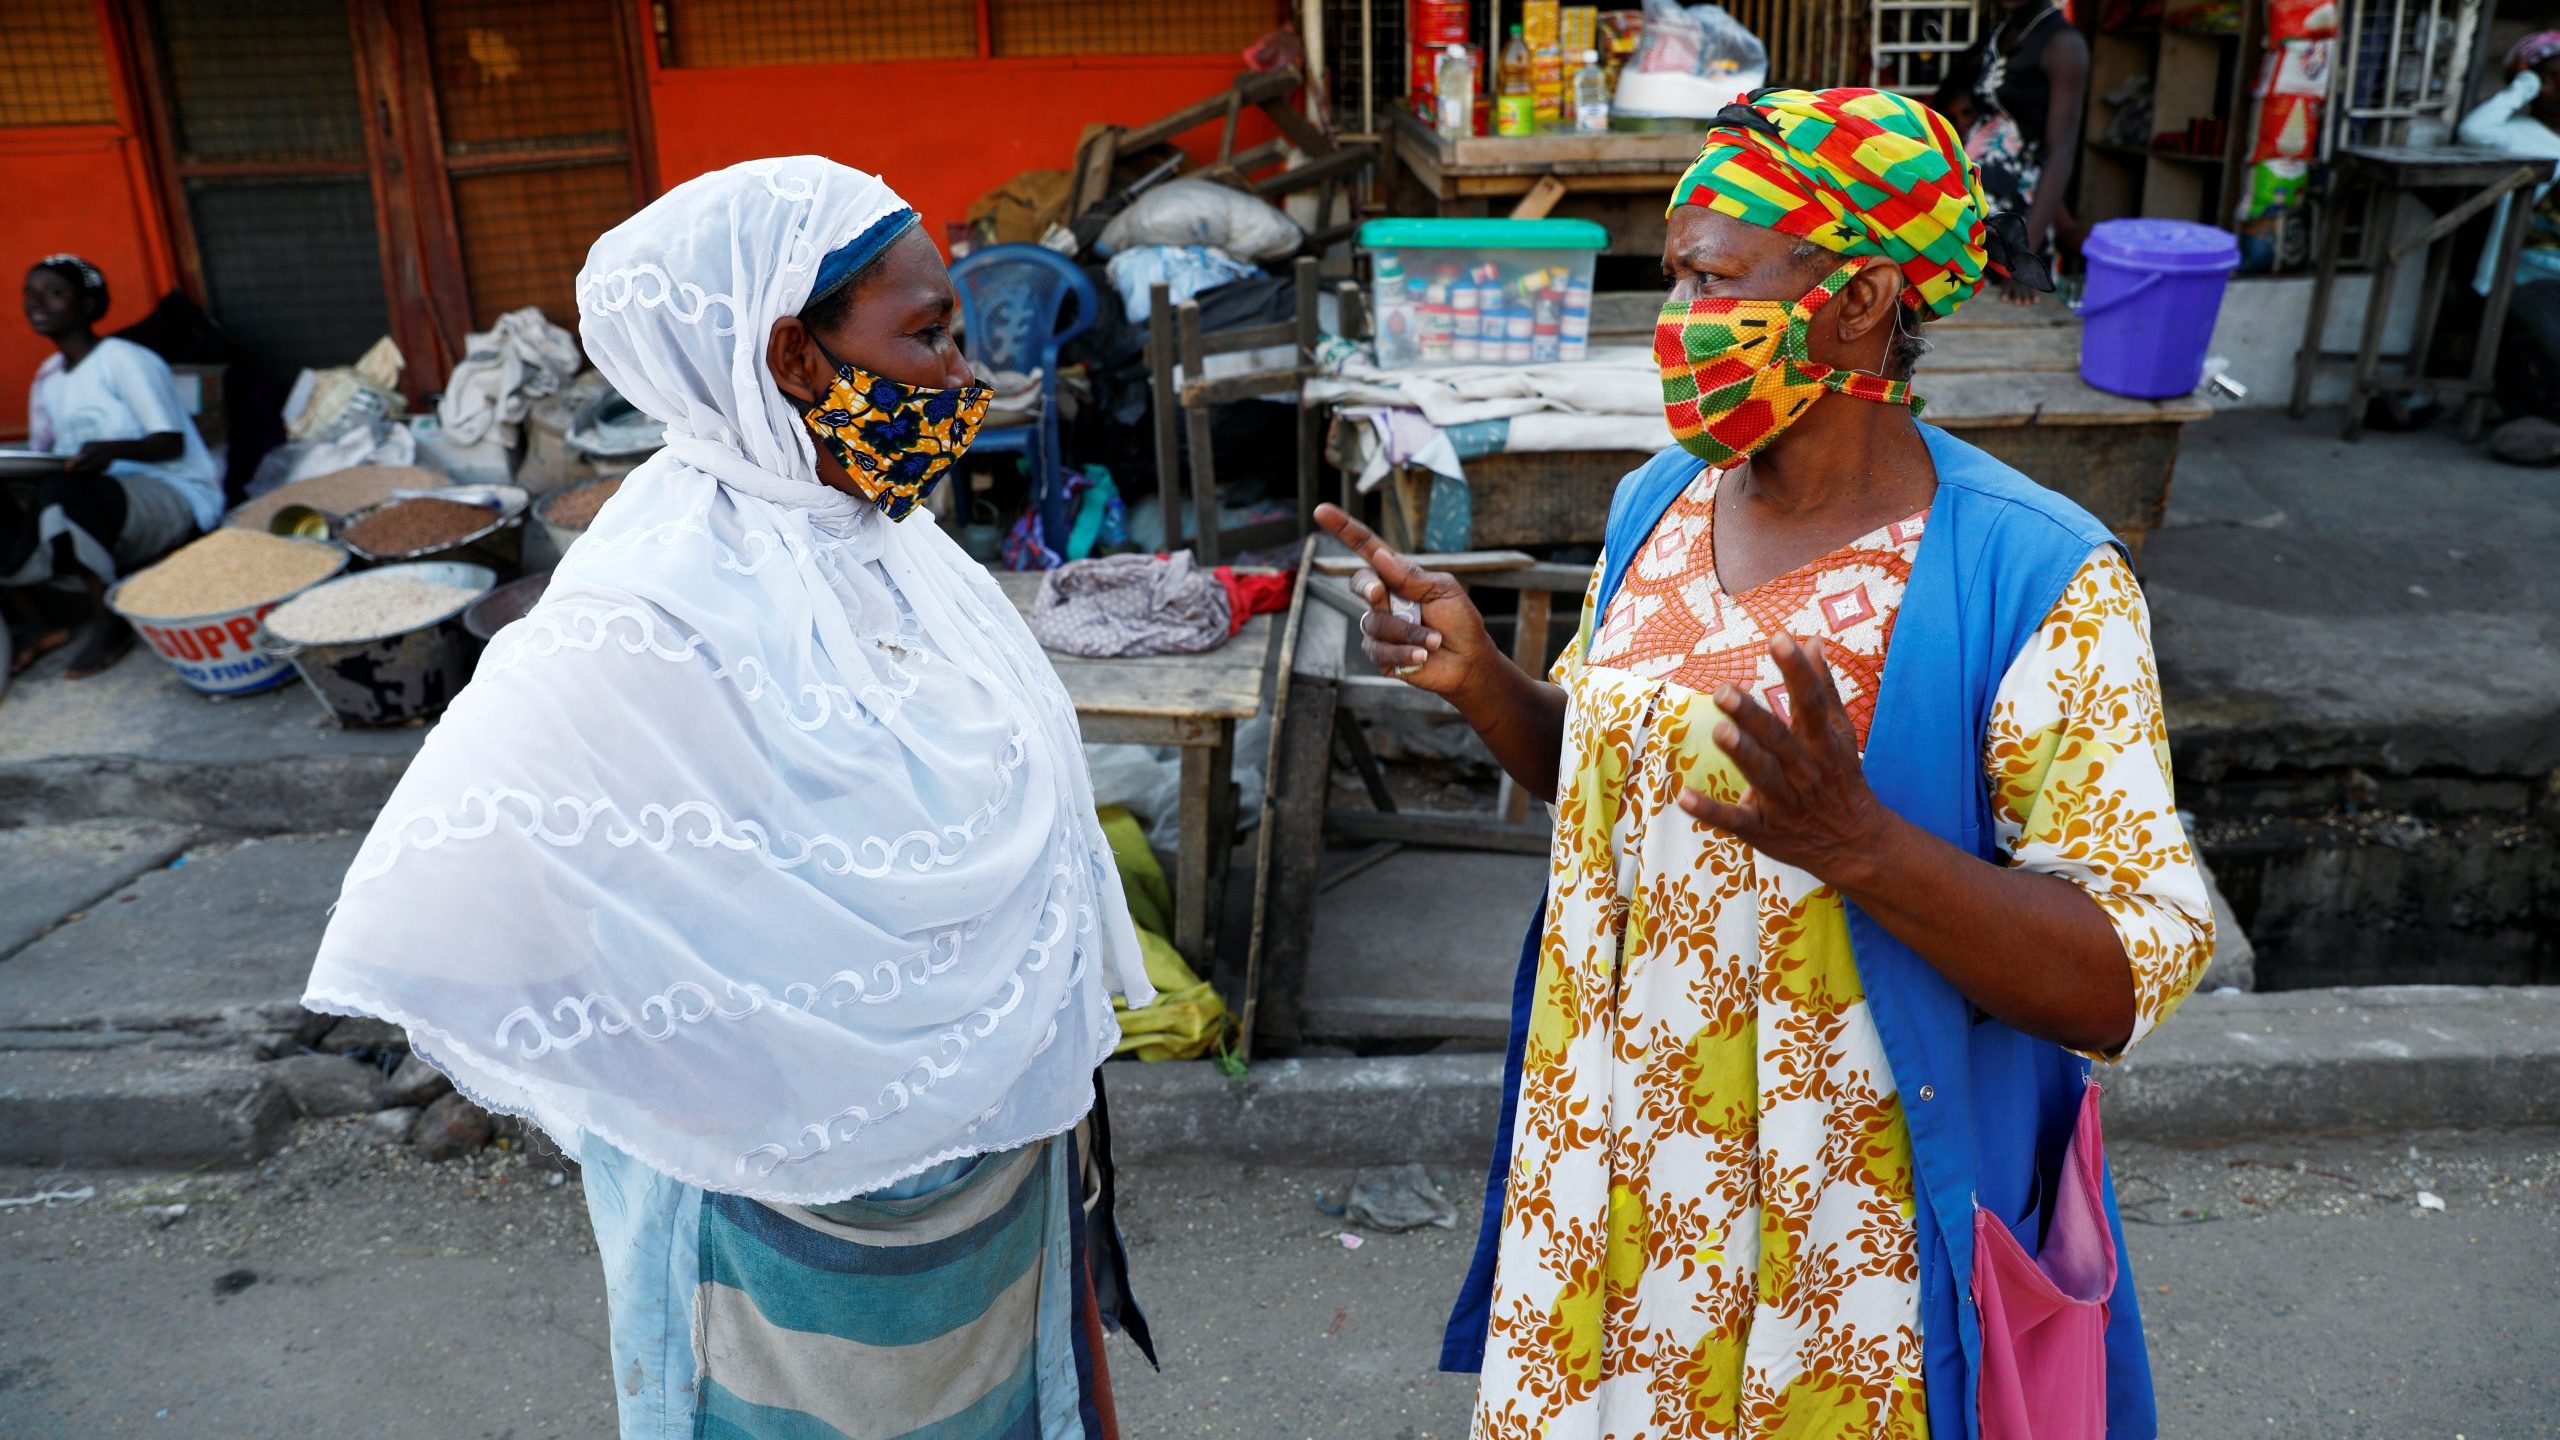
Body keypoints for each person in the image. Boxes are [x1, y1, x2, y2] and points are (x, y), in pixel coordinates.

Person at [1321, 88, 2213, 1438]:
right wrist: (1483, 683)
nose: (1674, 315)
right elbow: (1640, 803)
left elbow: (2123, 970)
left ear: (1857, 300)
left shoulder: (2036, 574)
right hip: (1616, 1163)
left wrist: (1871, 850)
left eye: (1706, 276)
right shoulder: (1659, 501)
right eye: (1673, 276)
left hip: (1843, 1216)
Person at [301, 157, 1158, 1439]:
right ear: (794, 361)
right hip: (758, 1230)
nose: (963, 379)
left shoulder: (891, 544)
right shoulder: (645, 608)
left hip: (995, 1173)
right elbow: (455, 894)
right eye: (926, 336)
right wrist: (721, 1024)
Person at [7, 254, 222, 676]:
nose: (38, 304)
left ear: (87, 305)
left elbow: (168, 442)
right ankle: (34, 623)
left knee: (64, 493)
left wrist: (108, 451)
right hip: (99, 503)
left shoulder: (124, 359)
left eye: (54, 293)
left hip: (168, 494)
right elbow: (43, 454)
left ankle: (112, 617)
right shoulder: (50, 380)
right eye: (30, 294)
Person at [2459, 32, 2560, 444]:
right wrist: (2525, 85)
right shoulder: (2517, 133)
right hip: (2525, 277)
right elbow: (2472, 130)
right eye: (2551, 77)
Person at [1960, 0, 2087, 304]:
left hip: (2018, 225)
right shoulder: (2001, 35)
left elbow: (2061, 154)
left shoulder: (2063, 45)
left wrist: (2023, 260)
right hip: (1977, 214)